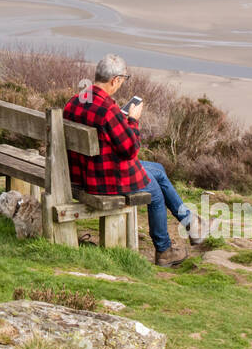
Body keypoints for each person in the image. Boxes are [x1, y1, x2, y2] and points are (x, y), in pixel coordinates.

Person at [62, 53, 205, 266]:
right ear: (115, 80)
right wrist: (132, 119)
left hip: (83, 170)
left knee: (157, 169)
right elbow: (130, 150)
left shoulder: (77, 100)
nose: (122, 83)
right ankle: (164, 251)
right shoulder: (109, 110)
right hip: (102, 179)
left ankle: (191, 223)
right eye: (123, 79)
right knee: (155, 192)